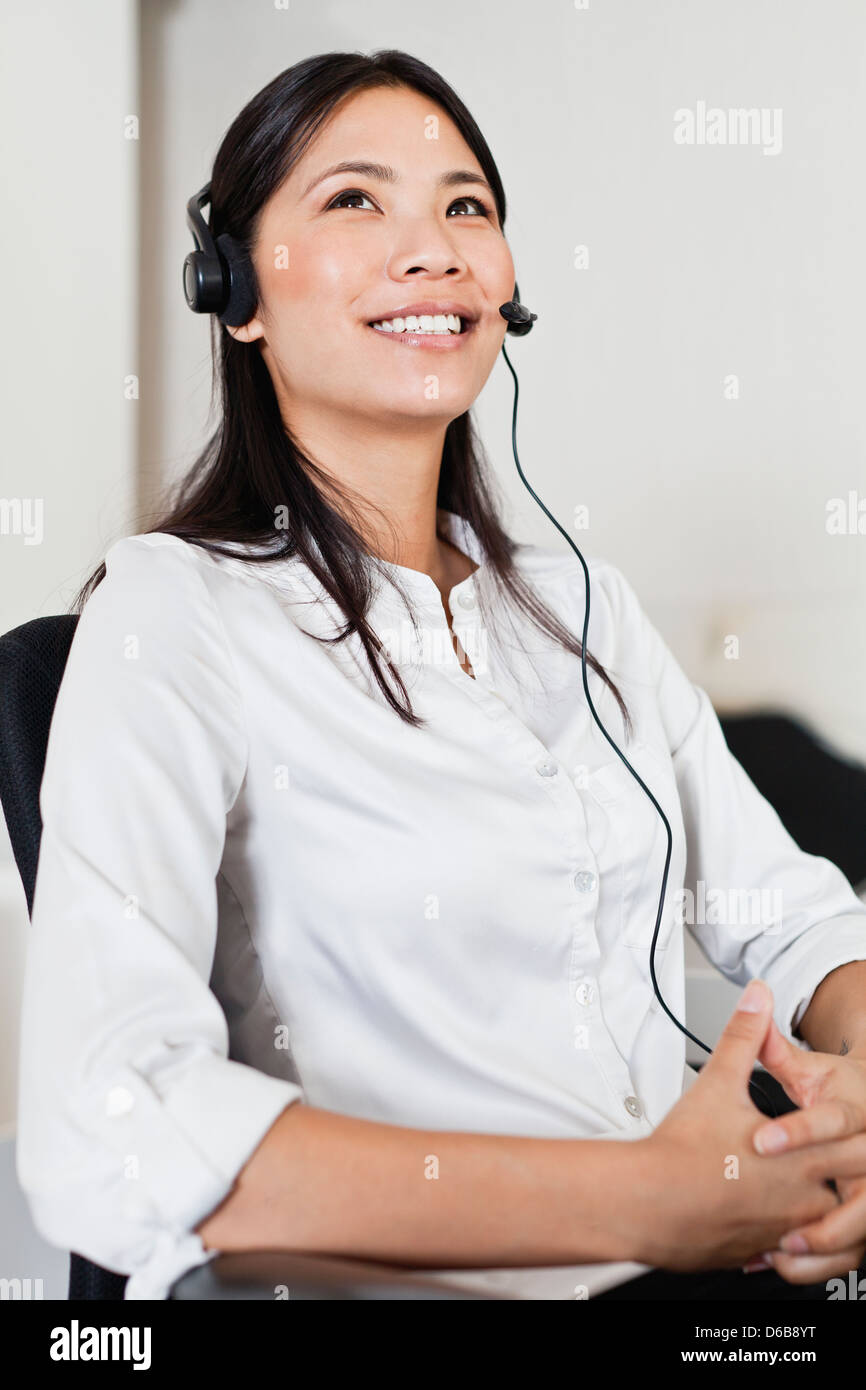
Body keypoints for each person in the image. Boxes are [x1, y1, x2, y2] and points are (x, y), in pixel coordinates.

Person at [16, 50, 866, 1302]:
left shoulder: (577, 606)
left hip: (707, 1268)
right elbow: (112, 1114)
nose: (433, 249)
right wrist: (656, 1199)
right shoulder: (174, 612)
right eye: (353, 201)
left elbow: (793, 915)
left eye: (465, 206)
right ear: (235, 288)